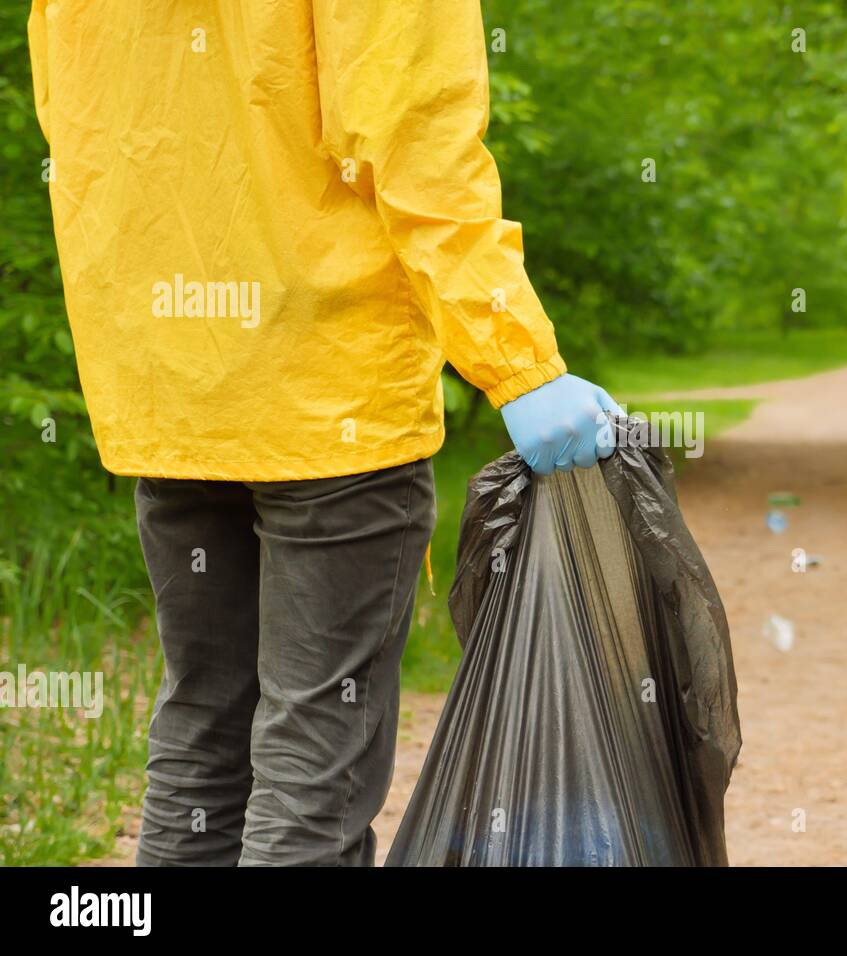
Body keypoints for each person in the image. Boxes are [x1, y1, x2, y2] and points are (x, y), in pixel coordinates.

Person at [27, 0, 618, 865]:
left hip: (175, 391)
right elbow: (416, 139)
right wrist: (518, 364)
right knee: (312, 763)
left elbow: (83, 127)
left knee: (202, 729)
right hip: (329, 389)